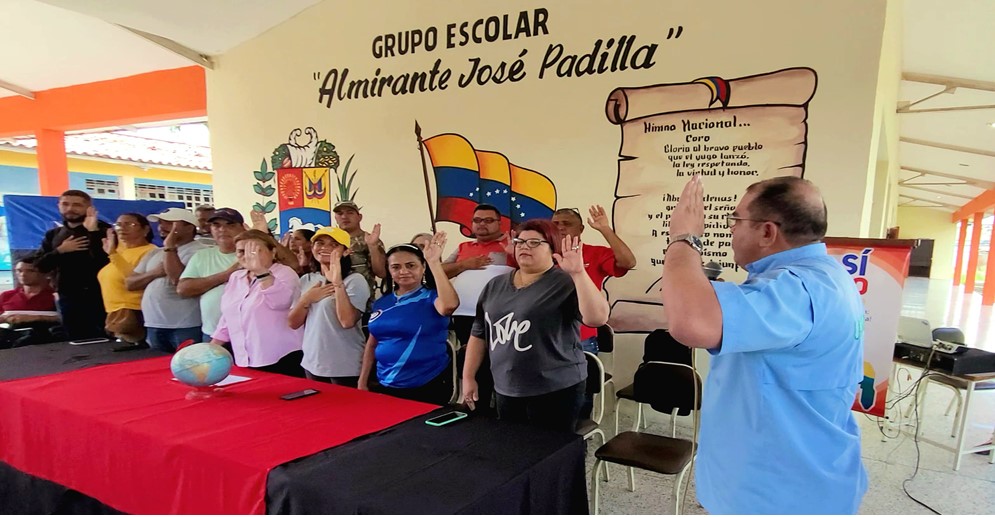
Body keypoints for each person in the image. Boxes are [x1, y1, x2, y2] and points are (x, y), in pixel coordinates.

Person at [660, 175, 866, 514]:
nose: (731, 229)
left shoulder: (798, 288)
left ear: (767, 232)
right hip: (795, 474)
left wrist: (683, 239)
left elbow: (692, 323)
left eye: (736, 219)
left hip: (778, 491)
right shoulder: (825, 276)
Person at [461, 219, 610, 432]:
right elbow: (479, 334)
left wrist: (578, 273)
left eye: (534, 242)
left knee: (549, 449)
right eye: (520, 242)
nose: (524, 247)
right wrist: (468, 377)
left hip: (556, 387)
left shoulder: (566, 282)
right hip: (506, 386)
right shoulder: (495, 285)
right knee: (513, 445)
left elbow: (597, 318)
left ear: (552, 248)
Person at [358, 234, 459, 405]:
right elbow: (372, 344)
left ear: (423, 267)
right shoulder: (382, 302)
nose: (403, 271)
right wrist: (363, 380)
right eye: (396, 267)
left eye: (411, 265)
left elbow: (449, 306)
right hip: (385, 383)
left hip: (427, 382)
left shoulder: (432, 297)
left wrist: (434, 262)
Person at [442, 203, 517, 414]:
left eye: (488, 220)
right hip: (465, 317)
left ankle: (501, 411)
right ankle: (476, 407)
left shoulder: (511, 244)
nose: (482, 224)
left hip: (501, 316)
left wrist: (512, 252)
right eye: (477, 220)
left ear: (500, 223)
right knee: (472, 363)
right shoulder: (463, 247)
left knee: (499, 363)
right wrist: (464, 265)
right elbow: (439, 271)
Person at [211, 230, 304, 376]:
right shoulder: (236, 277)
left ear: (273, 252)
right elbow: (230, 315)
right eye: (241, 251)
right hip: (243, 357)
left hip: (281, 357)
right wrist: (214, 345)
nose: (248, 256)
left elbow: (281, 302)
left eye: (255, 251)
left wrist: (261, 272)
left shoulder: (285, 273)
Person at [288, 227, 370, 386]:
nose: (325, 248)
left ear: (346, 251)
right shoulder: (307, 279)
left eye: (334, 244)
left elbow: (347, 321)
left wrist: (337, 282)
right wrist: (307, 299)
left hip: (344, 365)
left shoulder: (355, 280)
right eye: (320, 243)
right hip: (312, 362)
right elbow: (293, 323)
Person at [551, 205, 636, 353]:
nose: (560, 228)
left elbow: (628, 262)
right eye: (555, 224)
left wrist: (605, 229)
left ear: (581, 229)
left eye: (567, 223)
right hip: (545, 336)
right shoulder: (541, 254)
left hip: (581, 338)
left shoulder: (595, 253)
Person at [34, 189, 112, 340]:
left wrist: (93, 233)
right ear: (58, 206)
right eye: (65, 204)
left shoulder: (104, 231)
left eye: (77, 205)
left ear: (89, 208)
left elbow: (106, 261)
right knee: (76, 340)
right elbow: (39, 266)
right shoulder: (53, 235)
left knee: (104, 341)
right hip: (68, 296)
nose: (70, 208)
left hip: (100, 296)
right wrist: (60, 251)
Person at [128, 208, 209, 353]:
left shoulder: (200, 252)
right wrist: (154, 273)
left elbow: (179, 281)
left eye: (169, 223)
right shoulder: (155, 252)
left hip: (185, 325)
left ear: (189, 227)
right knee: (157, 365)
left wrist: (170, 248)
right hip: (153, 324)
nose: (161, 227)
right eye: (160, 223)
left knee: (189, 363)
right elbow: (130, 283)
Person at [178, 208, 242, 343]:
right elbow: (183, 289)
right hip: (211, 333)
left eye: (230, 225)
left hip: (248, 334)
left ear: (243, 228)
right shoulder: (201, 256)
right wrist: (227, 274)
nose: (222, 230)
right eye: (216, 225)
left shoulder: (256, 254)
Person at [98, 213, 157, 344]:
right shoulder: (119, 252)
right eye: (118, 225)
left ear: (145, 229)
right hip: (113, 311)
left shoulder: (151, 251)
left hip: (134, 311)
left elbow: (135, 280)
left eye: (130, 224)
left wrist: (113, 254)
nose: (122, 228)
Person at [0, 254, 60, 347]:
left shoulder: (57, 296)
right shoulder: (6, 295)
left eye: (31, 271)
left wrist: (36, 318)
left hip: (46, 340)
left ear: (47, 274)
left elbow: (72, 319)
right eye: (19, 271)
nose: (23, 275)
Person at [332, 200, 386, 294]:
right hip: (333, 295)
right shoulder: (330, 241)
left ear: (359, 217)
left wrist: (372, 246)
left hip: (362, 296)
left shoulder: (370, 240)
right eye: (340, 214)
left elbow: (381, 273)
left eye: (350, 213)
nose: (344, 217)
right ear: (335, 218)